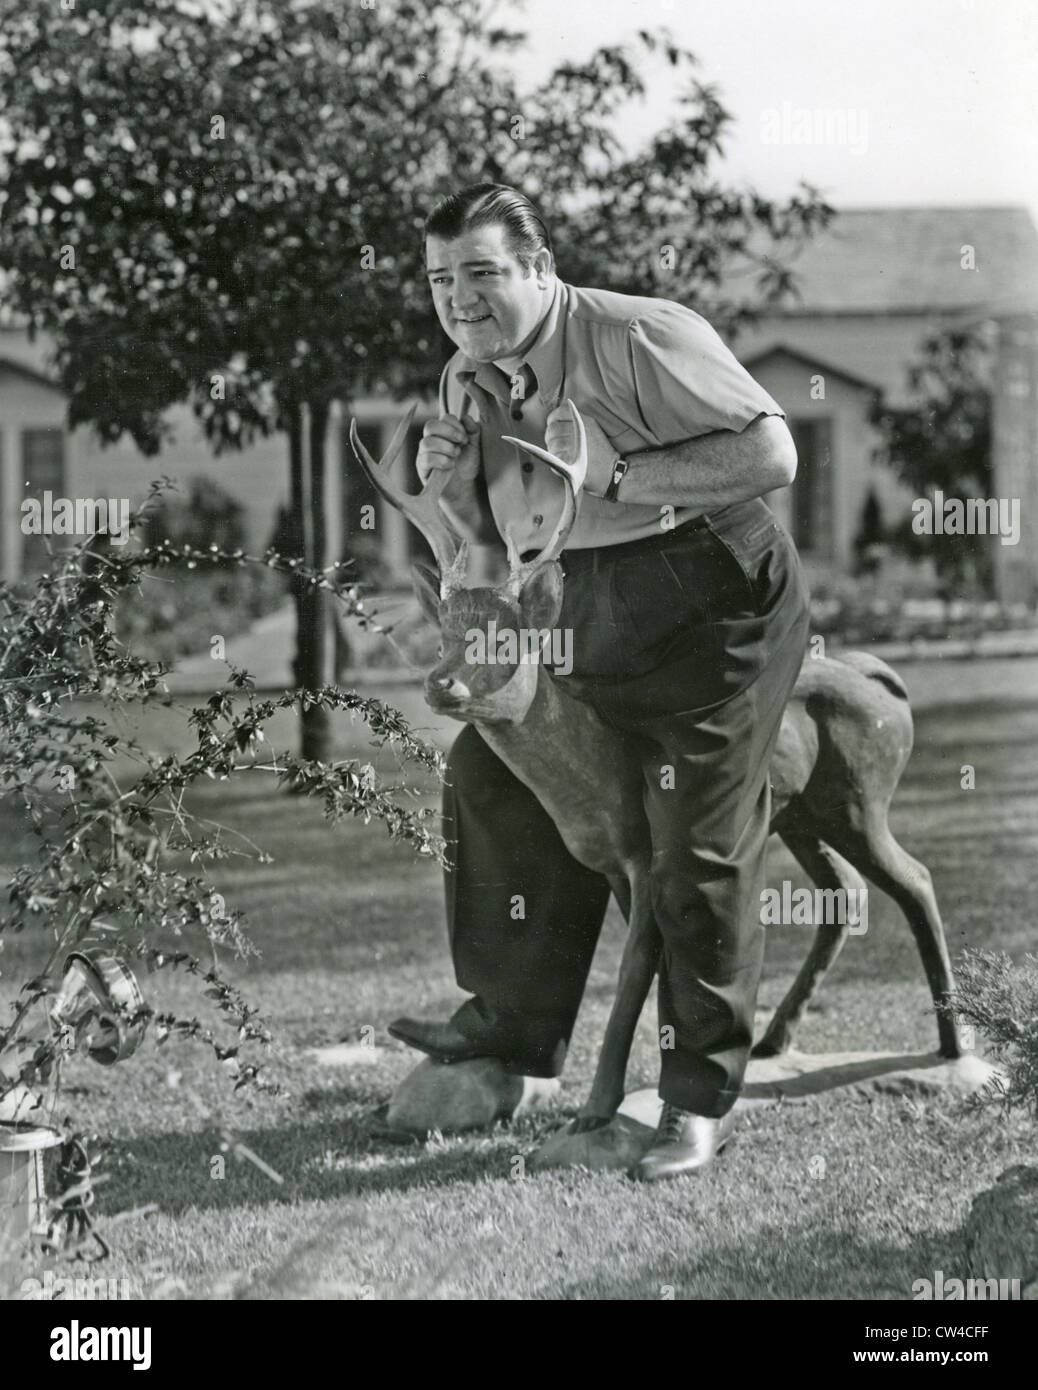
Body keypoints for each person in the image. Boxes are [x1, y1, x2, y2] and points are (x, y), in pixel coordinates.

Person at [389, 183, 811, 1180]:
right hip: (589, 601)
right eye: (442, 280)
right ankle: (510, 1033)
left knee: (696, 836)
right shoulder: (468, 379)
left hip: (720, 601)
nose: (460, 299)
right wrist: (451, 489)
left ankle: (696, 1101)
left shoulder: (640, 335)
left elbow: (773, 451)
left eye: (482, 273)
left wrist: (620, 478)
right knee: (490, 774)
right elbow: (502, 535)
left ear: (539, 268)